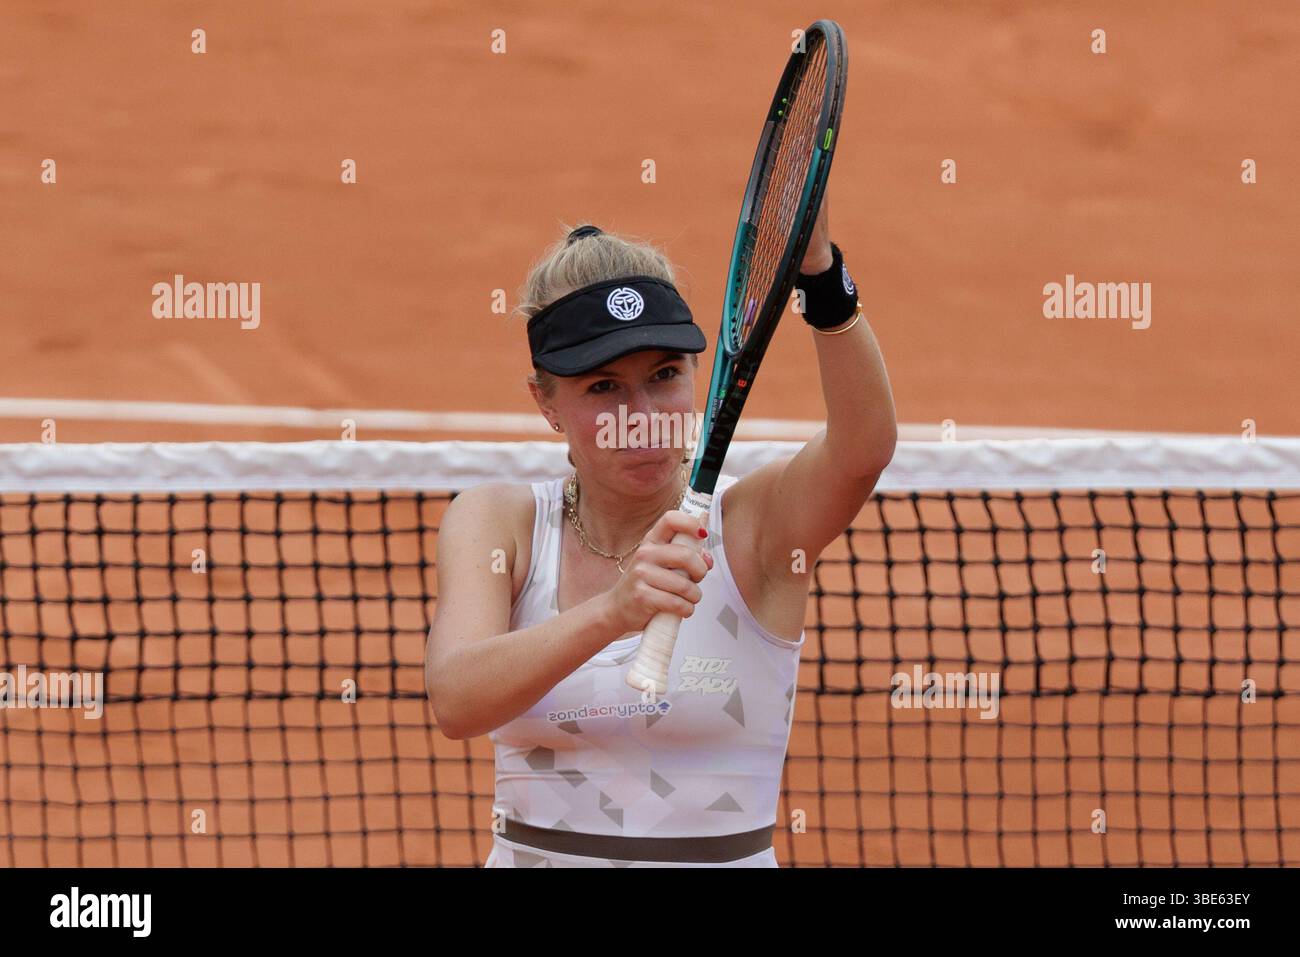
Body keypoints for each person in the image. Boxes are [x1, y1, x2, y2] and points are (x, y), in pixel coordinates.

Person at [426, 201, 896, 866]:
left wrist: (821, 276)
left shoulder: (753, 529)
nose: (641, 415)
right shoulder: (501, 523)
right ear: (546, 401)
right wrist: (615, 612)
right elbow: (457, 698)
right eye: (603, 386)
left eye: (665, 375)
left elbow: (864, 448)